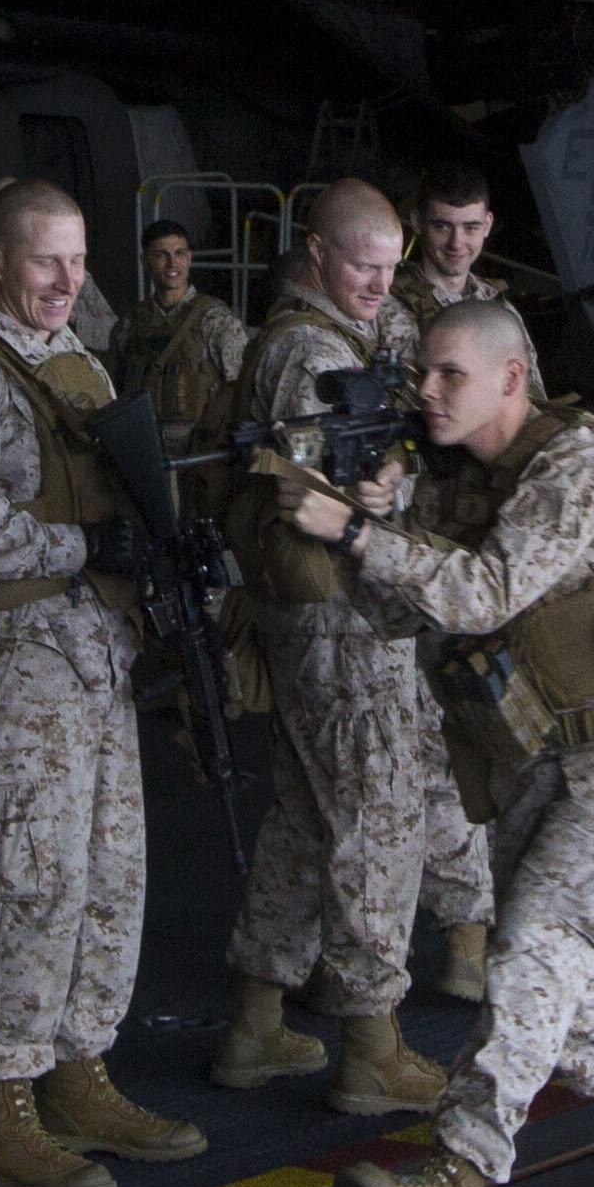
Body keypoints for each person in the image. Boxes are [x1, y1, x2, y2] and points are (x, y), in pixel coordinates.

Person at [285, 303, 594, 1187]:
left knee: (533, 946)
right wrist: (372, 521)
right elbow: (396, 615)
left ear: (511, 377)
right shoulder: (458, 481)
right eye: (425, 375)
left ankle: (455, 1178)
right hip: (534, 754)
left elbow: (485, 592)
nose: (430, 393)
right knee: (552, 981)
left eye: (451, 375)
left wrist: (361, 527)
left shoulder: (578, 463)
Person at [0, 178, 209, 1187]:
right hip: (11, 665)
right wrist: (83, 545)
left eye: (78, 261)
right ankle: (2, 1107)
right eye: (44, 261)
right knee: (23, 881)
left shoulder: (74, 361)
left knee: (111, 875)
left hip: (95, 653)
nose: (69, 281)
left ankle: (80, 1069)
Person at [216, 179, 466, 1115]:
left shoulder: (349, 337)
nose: (379, 283)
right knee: (379, 817)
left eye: (390, 267)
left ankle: (255, 1020)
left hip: (334, 615)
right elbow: (319, 489)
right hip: (337, 621)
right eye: (363, 264)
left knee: (307, 814)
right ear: (315, 251)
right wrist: (393, 485)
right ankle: (371, 1040)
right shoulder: (306, 351)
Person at [113, 217, 250, 514]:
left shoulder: (215, 320)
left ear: (189, 258)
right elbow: (119, 388)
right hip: (145, 451)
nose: (172, 263)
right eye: (161, 254)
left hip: (199, 455)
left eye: (180, 253)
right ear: (145, 260)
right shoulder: (129, 324)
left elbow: (239, 389)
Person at [393, 163, 502, 340]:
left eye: (471, 227)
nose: (456, 243)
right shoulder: (381, 305)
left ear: (487, 225)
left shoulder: (501, 310)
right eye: (441, 226)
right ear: (417, 222)